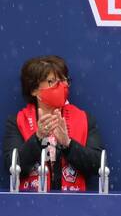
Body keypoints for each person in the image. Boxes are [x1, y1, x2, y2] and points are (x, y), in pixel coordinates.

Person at [5, 55, 104, 192]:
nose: (62, 86)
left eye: (64, 81)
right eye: (52, 81)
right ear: (34, 90)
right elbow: (12, 166)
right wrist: (38, 138)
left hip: (76, 205)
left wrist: (68, 144)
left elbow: (98, 165)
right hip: (31, 204)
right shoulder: (17, 121)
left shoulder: (85, 119)